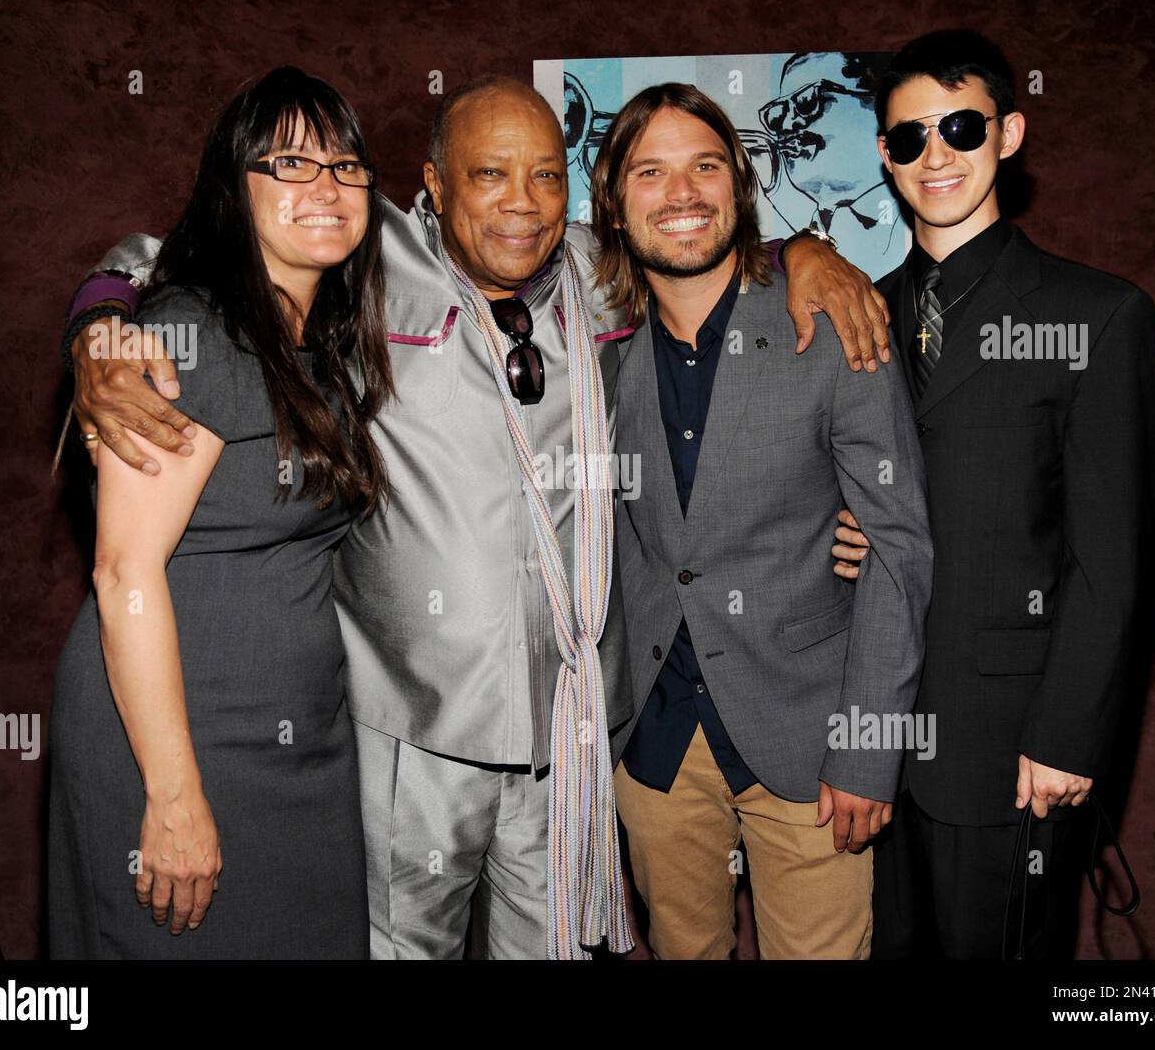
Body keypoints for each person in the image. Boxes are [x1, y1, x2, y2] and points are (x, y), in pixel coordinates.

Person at [59, 74, 891, 959]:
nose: (521, 205)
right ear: (434, 185)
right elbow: (172, 248)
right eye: (490, 175)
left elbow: (705, 247)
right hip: (408, 733)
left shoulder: (600, 275)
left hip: (561, 738)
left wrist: (807, 249)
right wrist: (100, 322)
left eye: (545, 176)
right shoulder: (368, 253)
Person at [831, 29, 1155, 959]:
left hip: (1013, 747)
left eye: (961, 127)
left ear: (1009, 134)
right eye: (908, 138)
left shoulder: (1099, 314)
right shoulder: (860, 313)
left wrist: (1070, 736)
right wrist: (840, 533)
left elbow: (1116, 560)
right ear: (884, 156)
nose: (935, 155)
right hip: (875, 745)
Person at [48, 66, 393, 958]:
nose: (326, 185)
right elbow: (124, 569)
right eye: (290, 162)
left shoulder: (317, 347)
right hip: (179, 741)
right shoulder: (181, 340)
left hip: (296, 743)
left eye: (346, 165)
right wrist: (171, 795)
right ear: (232, 189)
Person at [593, 83, 933, 959]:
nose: (682, 193)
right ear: (616, 205)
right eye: (651, 172)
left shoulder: (831, 323)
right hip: (658, 748)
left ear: (739, 185)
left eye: (706, 166)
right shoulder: (598, 358)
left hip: (811, 744)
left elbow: (898, 547)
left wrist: (868, 749)